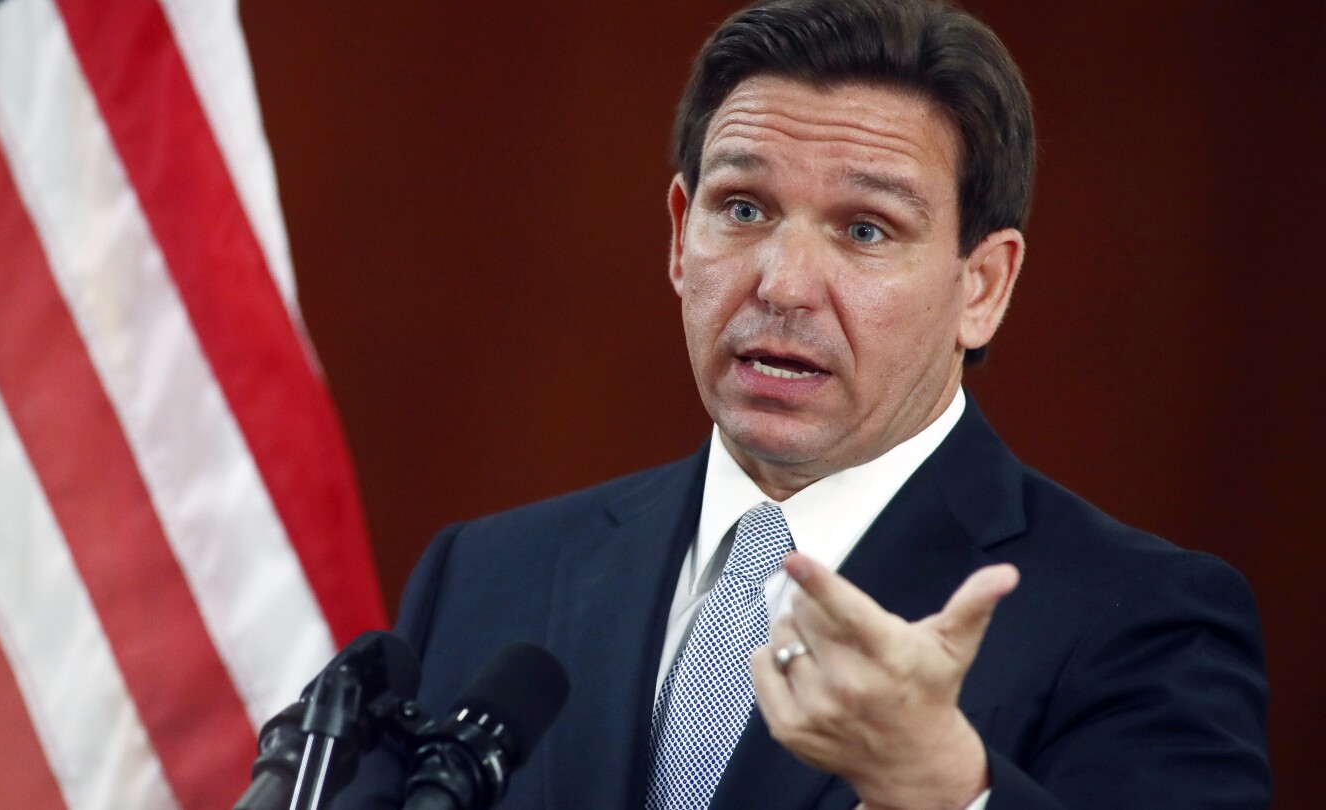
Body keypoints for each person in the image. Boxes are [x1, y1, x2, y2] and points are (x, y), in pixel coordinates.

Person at [330, 0, 1271, 807]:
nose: (782, 283)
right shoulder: (488, 573)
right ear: (677, 234)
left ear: (982, 286)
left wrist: (938, 785)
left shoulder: (1144, 620)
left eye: (866, 229)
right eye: (743, 209)